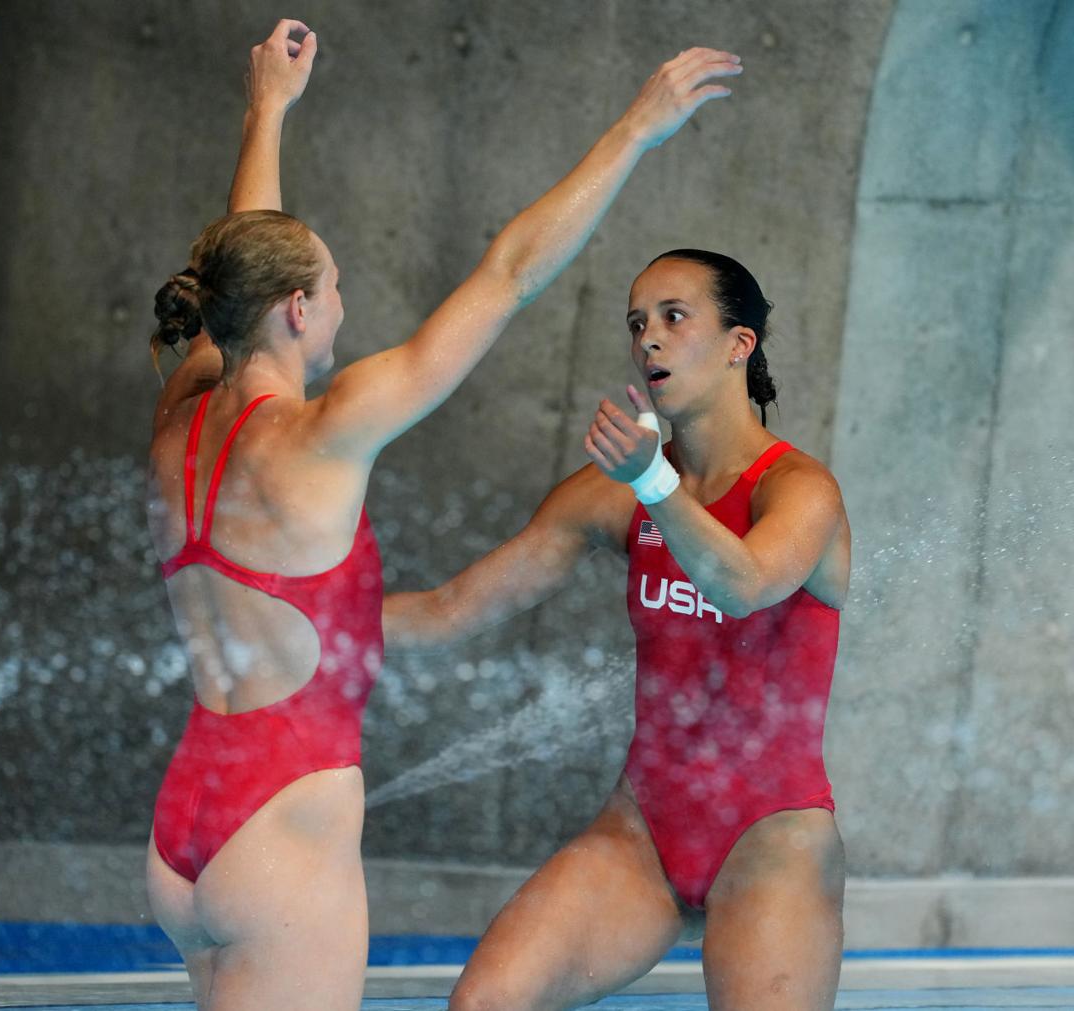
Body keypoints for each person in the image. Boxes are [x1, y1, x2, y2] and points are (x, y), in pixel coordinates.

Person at [144, 20, 741, 1009]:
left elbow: (240, 269)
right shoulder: (325, 431)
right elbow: (508, 274)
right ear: (297, 311)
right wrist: (635, 131)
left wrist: (268, 112)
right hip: (281, 832)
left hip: (186, 823)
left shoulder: (183, 416)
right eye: (333, 290)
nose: (341, 304)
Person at [385, 249, 851, 1010]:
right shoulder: (619, 491)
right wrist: (308, 620)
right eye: (638, 323)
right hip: (645, 828)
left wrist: (654, 484)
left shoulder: (799, 490)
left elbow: (744, 583)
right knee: (486, 1001)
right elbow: (452, 606)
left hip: (773, 838)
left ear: (741, 343)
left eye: (675, 316)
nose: (650, 339)